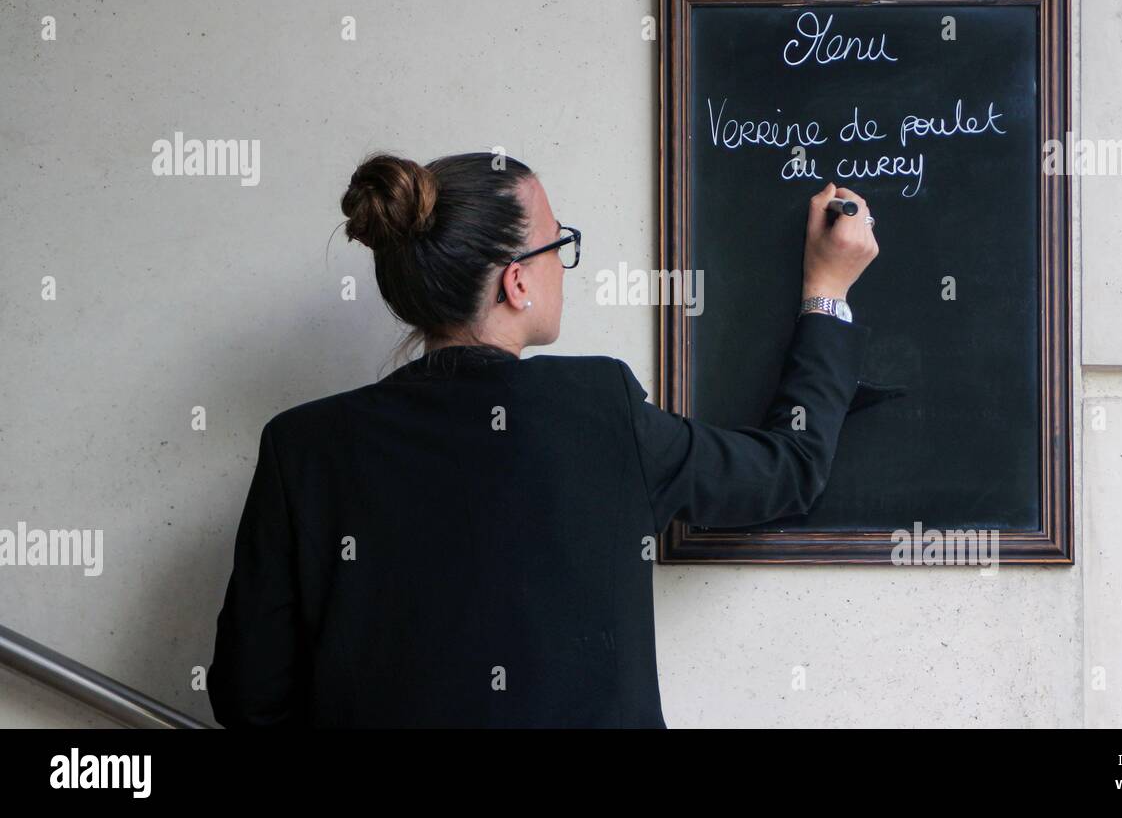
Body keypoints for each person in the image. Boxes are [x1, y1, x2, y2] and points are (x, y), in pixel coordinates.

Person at [208, 151, 878, 727]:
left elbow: (250, 699)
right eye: (559, 242)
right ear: (517, 279)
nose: (566, 261)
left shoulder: (303, 447)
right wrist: (827, 292)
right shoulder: (601, 412)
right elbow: (787, 467)